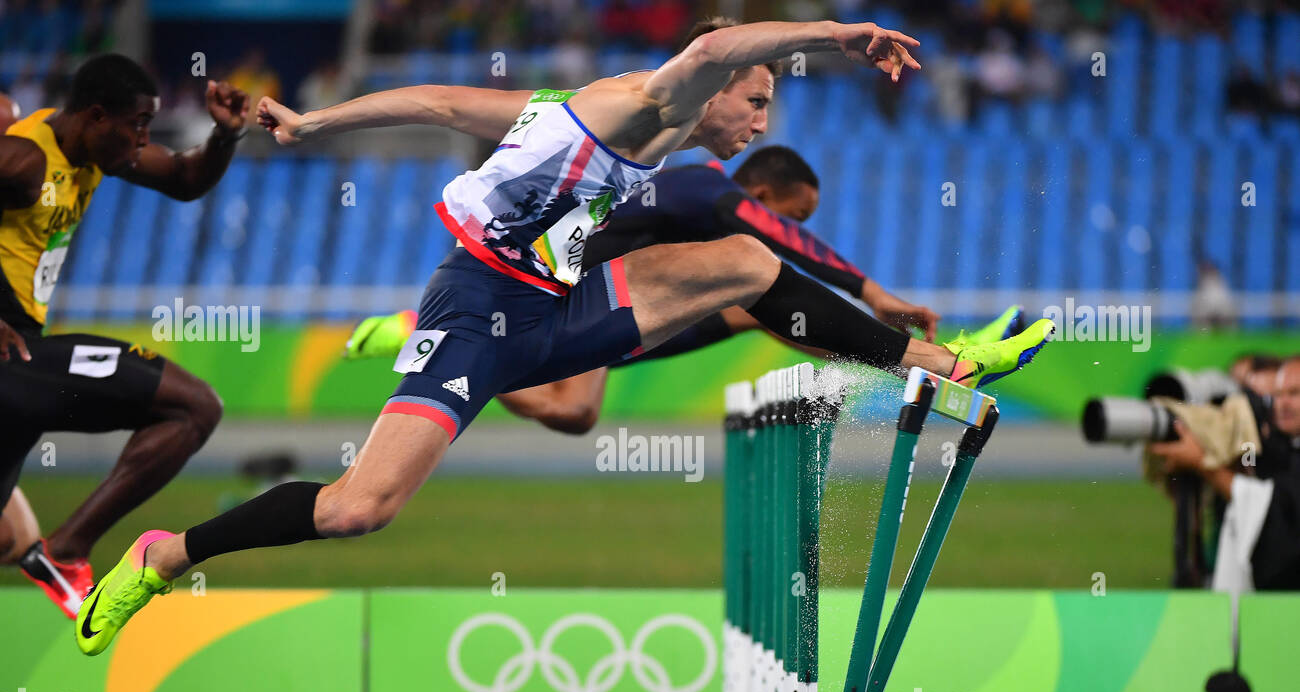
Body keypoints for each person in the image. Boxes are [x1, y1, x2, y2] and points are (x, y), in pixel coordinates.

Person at [76, 16, 1052, 655]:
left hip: (555, 311)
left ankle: (941, 363)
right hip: (476, 309)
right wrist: (839, 33)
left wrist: (312, 122)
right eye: (753, 100)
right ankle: (169, 554)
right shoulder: (646, 100)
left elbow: (445, 104)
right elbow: (718, 45)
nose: (758, 120)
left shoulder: (612, 126)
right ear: (705, 88)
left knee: (747, 275)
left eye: (768, 105)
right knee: (357, 509)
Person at [346, 144, 1024, 435]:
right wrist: (872, 291)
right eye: (794, 215)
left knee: (581, 414)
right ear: (759, 194)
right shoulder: (705, 187)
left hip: (605, 302)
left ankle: (922, 365)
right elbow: (782, 248)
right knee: (761, 283)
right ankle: (935, 362)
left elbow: (791, 307)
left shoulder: (710, 216)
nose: (795, 230)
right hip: (555, 295)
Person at [0, 56, 246, 617]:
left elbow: (185, 180)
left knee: (7, 540)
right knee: (193, 407)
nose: (142, 139)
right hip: (11, 358)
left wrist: (225, 136)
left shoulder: (91, 154)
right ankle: (64, 554)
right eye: (137, 124)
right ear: (95, 115)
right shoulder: (23, 163)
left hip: (19, 359)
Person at [1151, 356, 1300, 591]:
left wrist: (1202, 463)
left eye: (1294, 393)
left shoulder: (1283, 456)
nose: (1282, 404)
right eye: (1278, 395)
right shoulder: (1272, 450)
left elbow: (1275, 512)